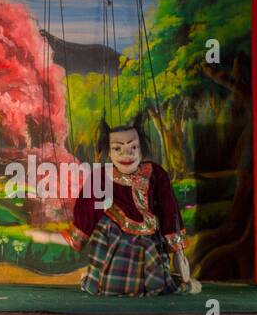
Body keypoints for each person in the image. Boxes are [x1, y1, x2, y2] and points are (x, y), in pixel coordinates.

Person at [31, 114, 200, 296]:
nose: (126, 155)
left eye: (133, 147)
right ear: (109, 153)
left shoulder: (155, 173)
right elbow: (86, 215)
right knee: (106, 228)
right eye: (117, 149)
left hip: (150, 242)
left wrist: (179, 254)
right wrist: (50, 238)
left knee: (157, 283)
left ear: (141, 150)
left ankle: (164, 281)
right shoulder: (100, 177)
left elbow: (170, 210)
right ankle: (98, 277)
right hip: (114, 240)